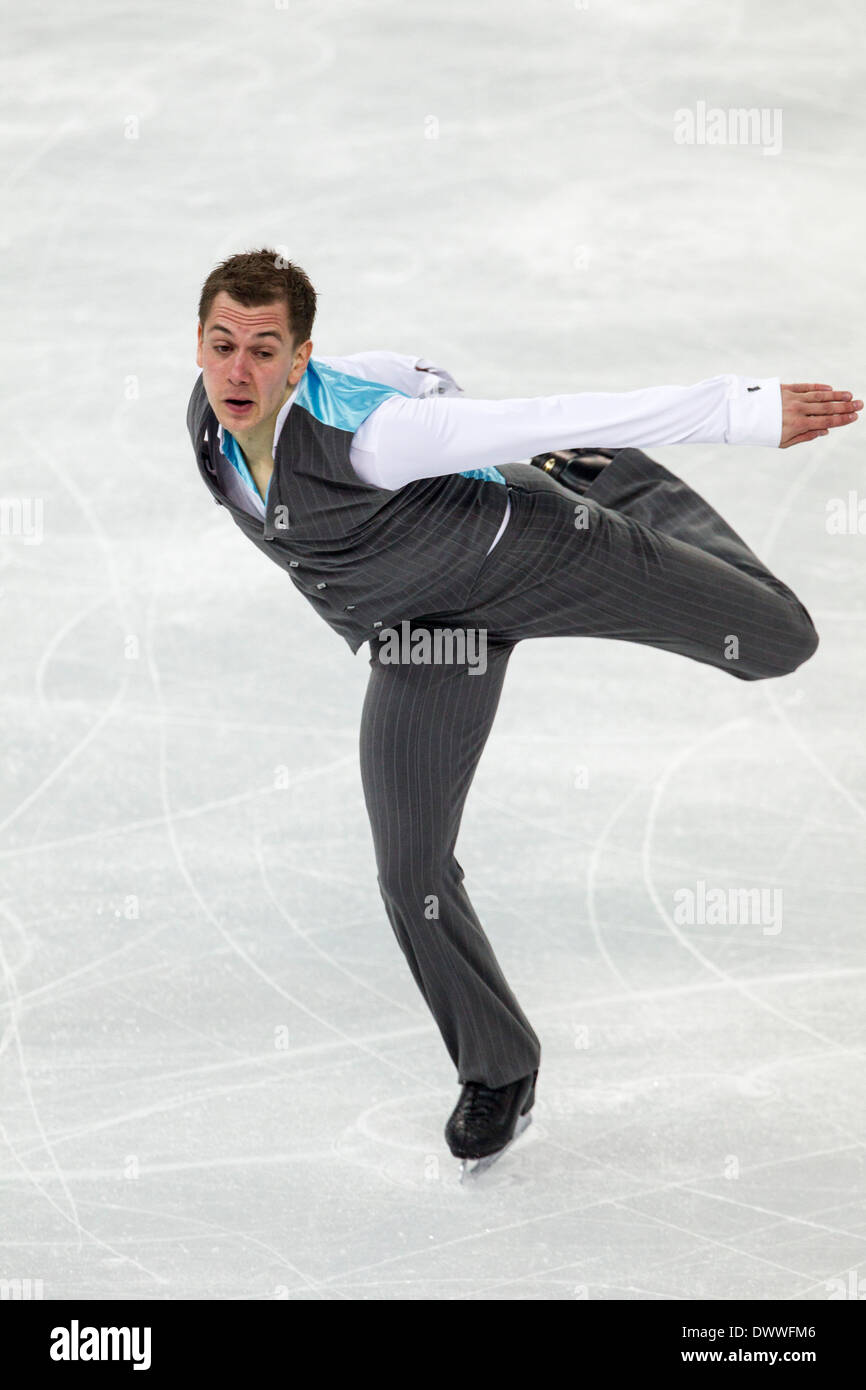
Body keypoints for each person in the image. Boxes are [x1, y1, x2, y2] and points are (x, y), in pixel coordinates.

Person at [186, 248, 860, 1175]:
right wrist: (427, 380)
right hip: (430, 637)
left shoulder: (380, 438)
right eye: (223, 344)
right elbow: (405, 374)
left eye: (264, 351)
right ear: (198, 341)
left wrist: (742, 411)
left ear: (300, 360)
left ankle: (617, 482)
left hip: (544, 558)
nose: (238, 369)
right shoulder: (208, 431)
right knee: (409, 867)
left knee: (779, 641)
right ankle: (498, 1068)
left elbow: (553, 413)